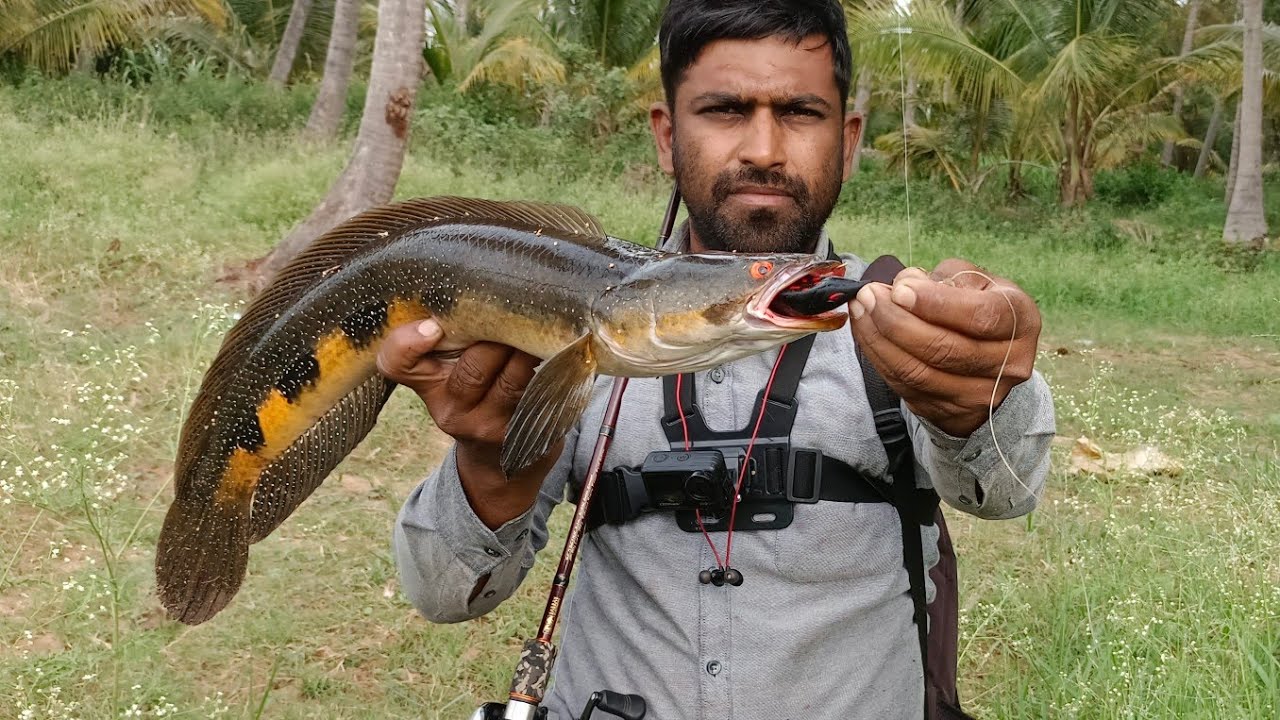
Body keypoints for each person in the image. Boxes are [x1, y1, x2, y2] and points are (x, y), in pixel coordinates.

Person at [377, 1, 1056, 718]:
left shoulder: (900, 322)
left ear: (848, 140)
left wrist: (981, 402)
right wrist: (489, 469)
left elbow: (1007, 494)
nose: (763, 148)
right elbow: (443, 593)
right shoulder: (571, 322)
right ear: (668, 137)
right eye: (725, 109)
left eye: (799, 112)